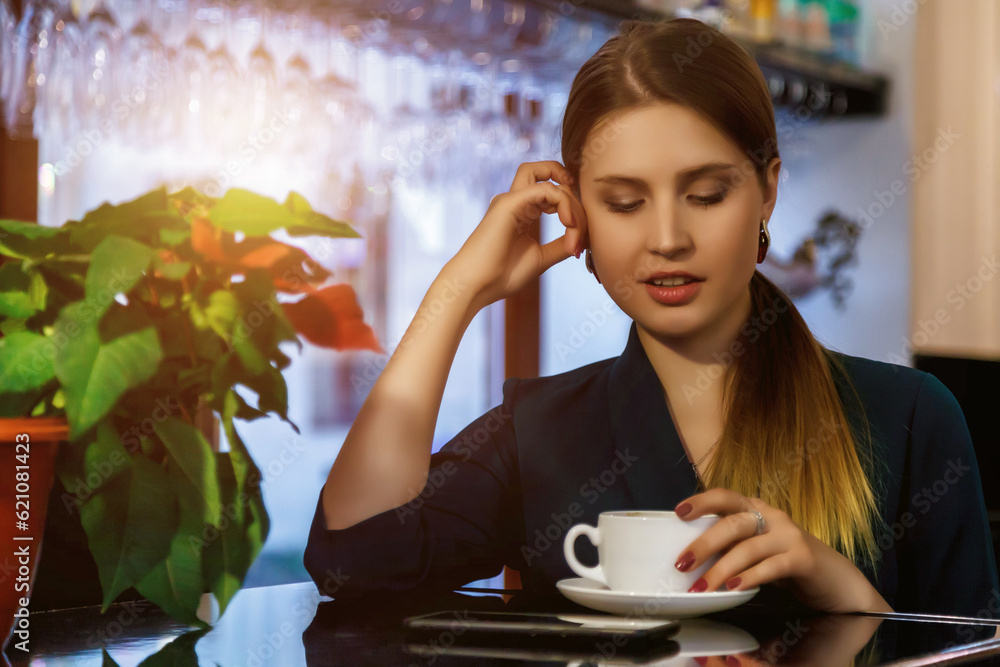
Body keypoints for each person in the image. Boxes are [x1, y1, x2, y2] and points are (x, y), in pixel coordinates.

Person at [304, 17, 999, 619]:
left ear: (766, 192)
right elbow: (352, 560)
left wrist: (842, 589)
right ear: (577, 213)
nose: (667, 239)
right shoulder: (537, 431)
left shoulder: (911, 419)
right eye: (625, 203)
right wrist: (456, 293)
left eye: (706, 194)